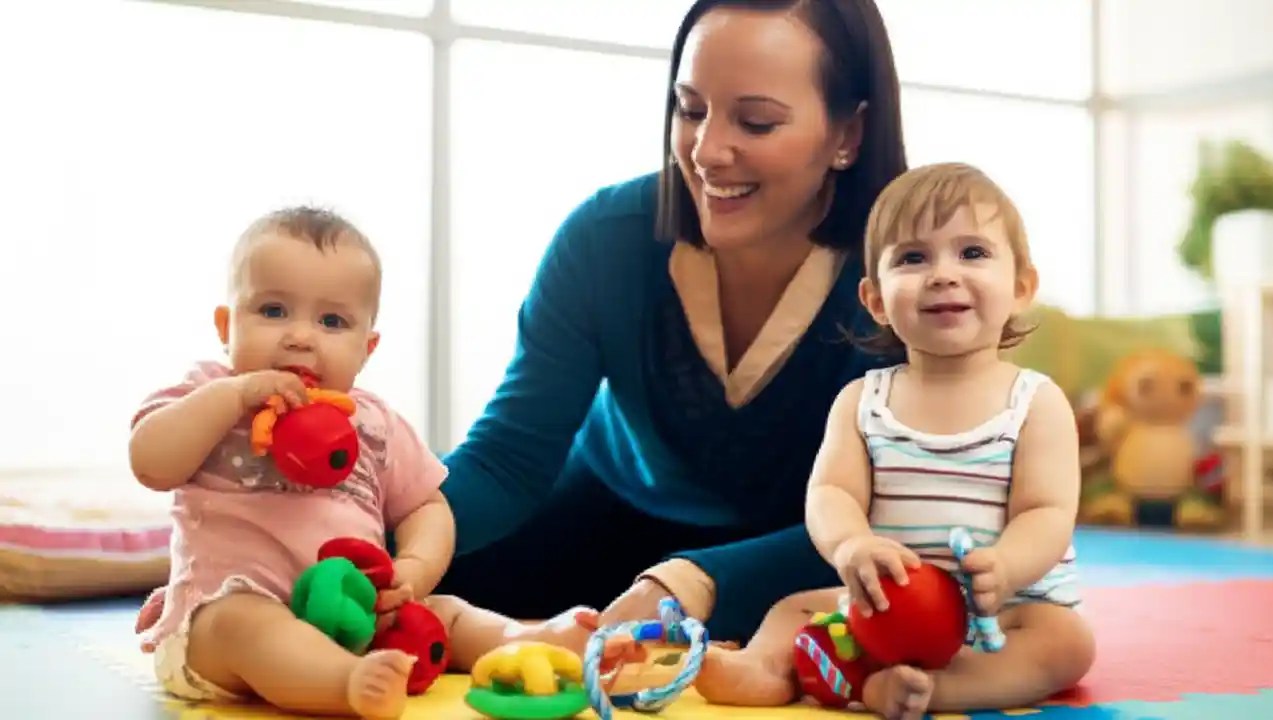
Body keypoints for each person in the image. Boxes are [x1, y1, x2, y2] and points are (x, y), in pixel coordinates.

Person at [434, 0, 908, 646]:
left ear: (848, 135)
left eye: (757, 121)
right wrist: (358, 522)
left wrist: (692, 582)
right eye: (690, 110)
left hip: (793, 562)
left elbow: (902, 516)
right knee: (383, 564)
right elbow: (509, 461)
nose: (707, 151)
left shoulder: (907, 279)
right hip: (594, 523)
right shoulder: (604, 239)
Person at [131, 209, 596, 720]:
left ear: (367, 347)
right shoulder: (209, 392)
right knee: (245, 625)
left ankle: (529, 638)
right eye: (273, 310)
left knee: (445, 614)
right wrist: (234, 396)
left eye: (332, 321)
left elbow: (427, 507)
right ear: (227, 325)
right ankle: (343, 682)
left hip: (354, 618)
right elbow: (151, 461)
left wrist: (413, 571)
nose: (301, 337)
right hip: (223, 617)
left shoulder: (374, 424)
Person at [689, 162, 1097, 719]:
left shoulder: (1034, 401)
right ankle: (766, 666)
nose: (943, 274)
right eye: (913, 258)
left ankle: (937, 690)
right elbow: (831, 493)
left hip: (1001, 615)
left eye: (972, 253)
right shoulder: (863, 401)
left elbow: (1047, 511)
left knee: (1067, 642)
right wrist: (852, 545)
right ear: (876, 299)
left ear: (1022, 286)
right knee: (792, 609)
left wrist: (1006, 566)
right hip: (885, 610)